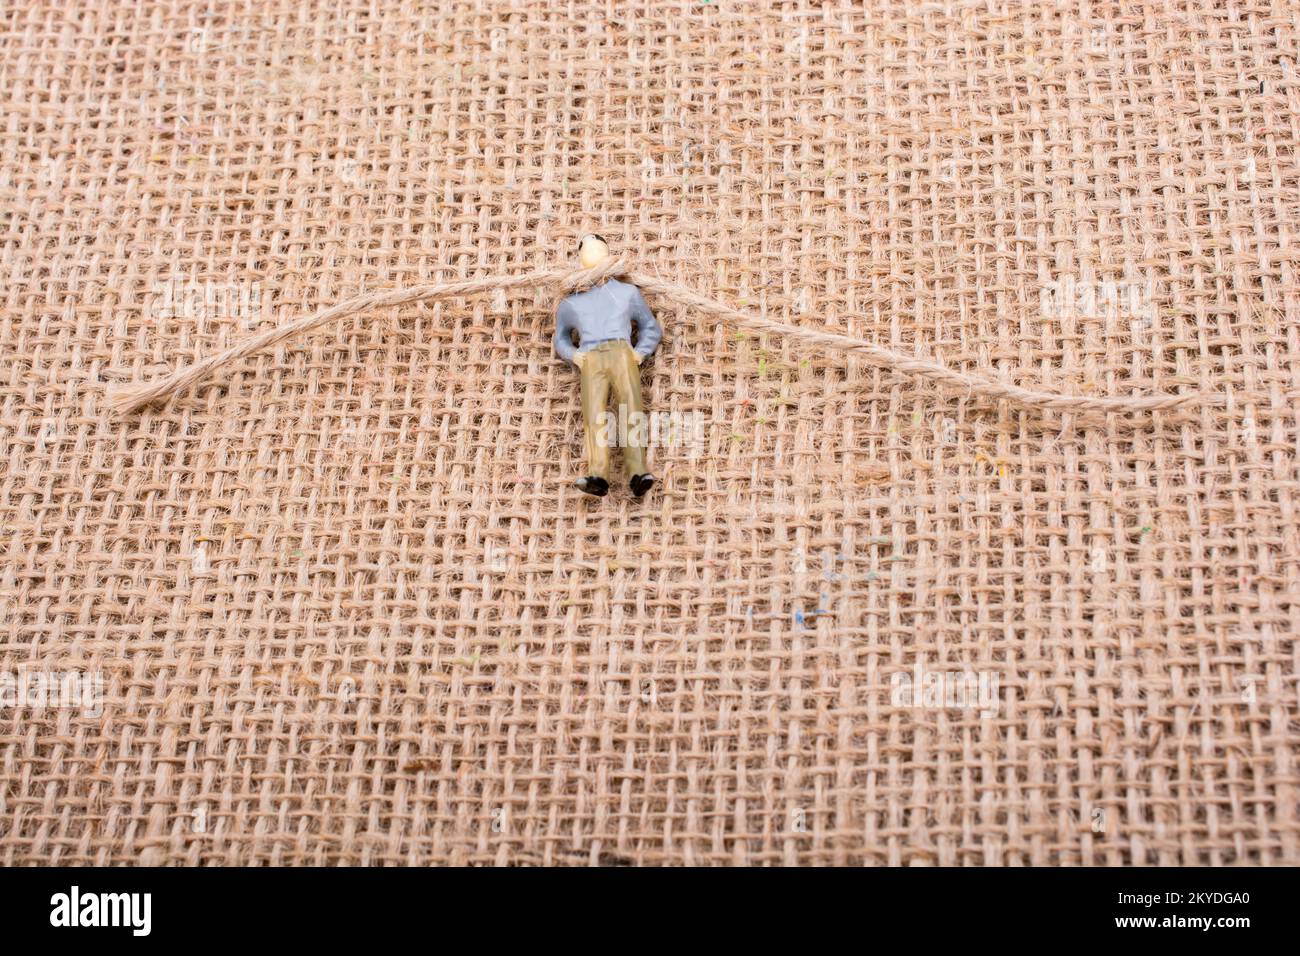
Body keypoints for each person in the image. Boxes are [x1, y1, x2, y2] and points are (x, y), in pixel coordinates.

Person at [553, 235, 662, 497]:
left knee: (631, 409)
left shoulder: (627, 292)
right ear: (579, 259)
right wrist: (575, 355)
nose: (592, 251)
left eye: (597, 246)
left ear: (607, 252)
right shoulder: (572, 302)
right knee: (594, 415)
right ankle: (598, 473)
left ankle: (637, 471)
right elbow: (561, 337)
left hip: (621, 352)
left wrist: (639, 353)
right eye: (586, 247)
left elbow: (650, 327)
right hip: (590, 357)